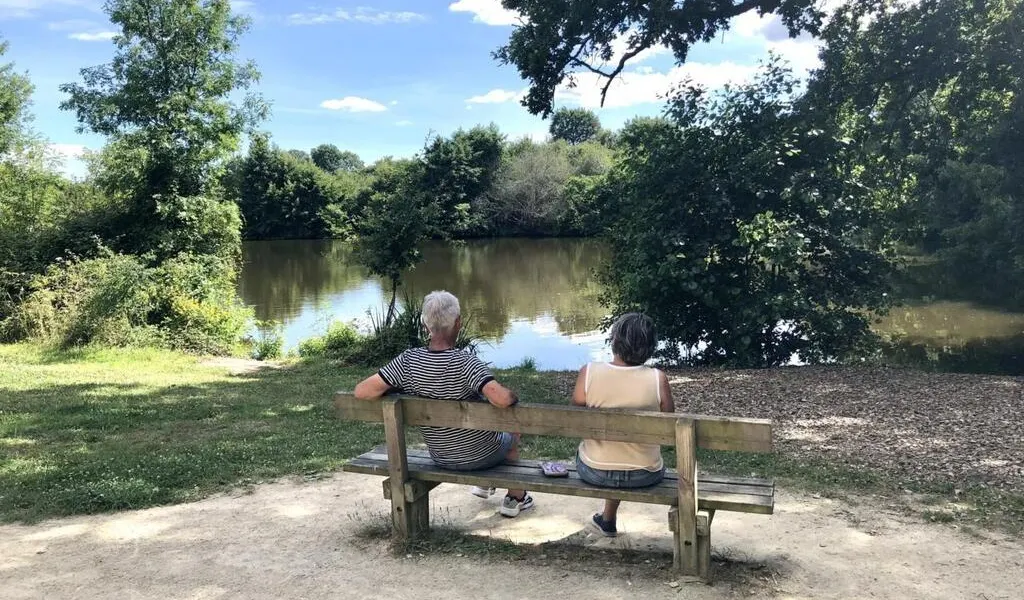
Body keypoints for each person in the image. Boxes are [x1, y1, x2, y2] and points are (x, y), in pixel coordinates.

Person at [354, 290, 535, 518]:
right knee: (512, 430)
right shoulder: (465, 362)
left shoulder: (408, 361)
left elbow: (362, 391)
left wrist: (397, 386)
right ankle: (516, 497)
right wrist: (512, 395)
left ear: (425, 325)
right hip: (483, 454)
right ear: (458, 323)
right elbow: (501, 399)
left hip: (441, 456)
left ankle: (488, 484)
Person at [571, 312, 674, 537]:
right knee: (626, 451)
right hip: (645, 473)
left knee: (606, 449)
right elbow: (670, 421)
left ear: (615, 340)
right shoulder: (658, 379)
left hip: (594, 470)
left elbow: (577, 411)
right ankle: (607, 519)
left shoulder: (589, 373)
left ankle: (607, 519)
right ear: (650, 346)